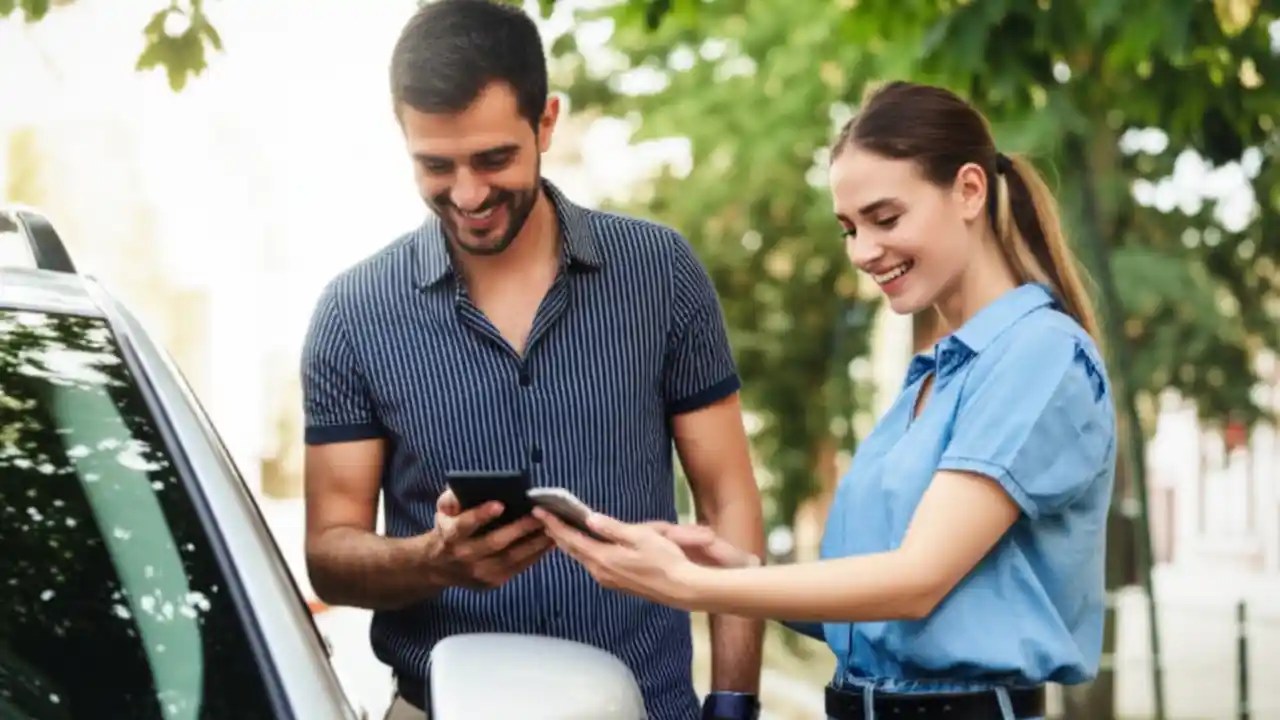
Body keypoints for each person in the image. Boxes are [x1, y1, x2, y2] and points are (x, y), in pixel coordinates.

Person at [537, 80, 1118, 720]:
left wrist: (687, 585)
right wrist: (736, 571)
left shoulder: (1037, 354)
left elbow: (917, 582)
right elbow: (869, 610)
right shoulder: (932, 377)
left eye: (886, 218)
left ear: (970, 191)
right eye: (849, 228)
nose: (864, 252)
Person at [298, 1, 766, 719]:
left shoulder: (661, 273)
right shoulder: (352, 314)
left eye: (494, 159)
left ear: (546, 123)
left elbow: (727, 498)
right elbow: (331, 551)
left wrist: (734, 703)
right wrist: (435, 559)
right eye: (435, 165)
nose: (467, 194)